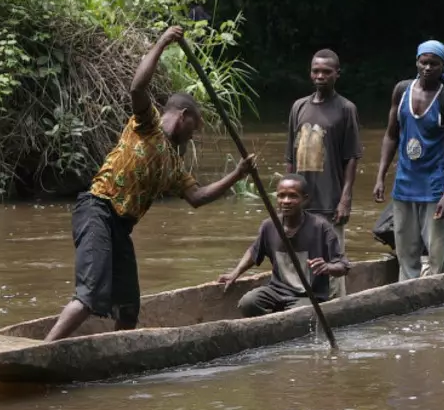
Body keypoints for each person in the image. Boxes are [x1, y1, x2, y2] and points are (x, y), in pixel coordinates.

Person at [44, 26, 256, 342]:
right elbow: (137, 88)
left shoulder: (173, 163)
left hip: (121, 227)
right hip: (98, 209)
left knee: (129, 310)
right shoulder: (148, 126)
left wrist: (236, 176)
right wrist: (161, 44)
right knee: (89, 296)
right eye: (193, 129)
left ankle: (116, 354)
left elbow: (196, 197)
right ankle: (45, 348)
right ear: (182, 116)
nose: (192, 136)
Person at [373, 40, 444, 281]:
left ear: (443, 66)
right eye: (424, 62)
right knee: (405, 247)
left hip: (434, 185)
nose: (428, 68)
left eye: (434, 64)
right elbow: (391, 135)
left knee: (437, 251)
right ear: (416, 62)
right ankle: (407, 290)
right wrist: (381, 176)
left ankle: (438, 293)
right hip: (405, 183)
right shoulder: (402, 91)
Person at [285, 49, 363, 298]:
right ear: (310, 73)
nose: (320, 76)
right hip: (301, 201)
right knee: (299, 257)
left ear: (336, 75)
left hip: (330, 200)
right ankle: (301, 301)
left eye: (326, 72)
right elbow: (289, 156)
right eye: (316, 71)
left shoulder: (345, 109)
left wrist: (345, 198)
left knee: (333, 258)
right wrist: (286, 195)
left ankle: (337, 306)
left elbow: (351, 157)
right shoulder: (299, 107)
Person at [218, 175, 349, 316]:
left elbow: (343, 266)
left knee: (296, 314)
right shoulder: (270, 225)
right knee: (248, 302)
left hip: (308, 296)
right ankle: (270, 324)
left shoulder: (321, 227)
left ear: (305, 199)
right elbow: (254, 251)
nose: (286, 201)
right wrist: (235, 273)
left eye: (293, 196)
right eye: (281, 196)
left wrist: (327, 267)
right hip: (277, 290)